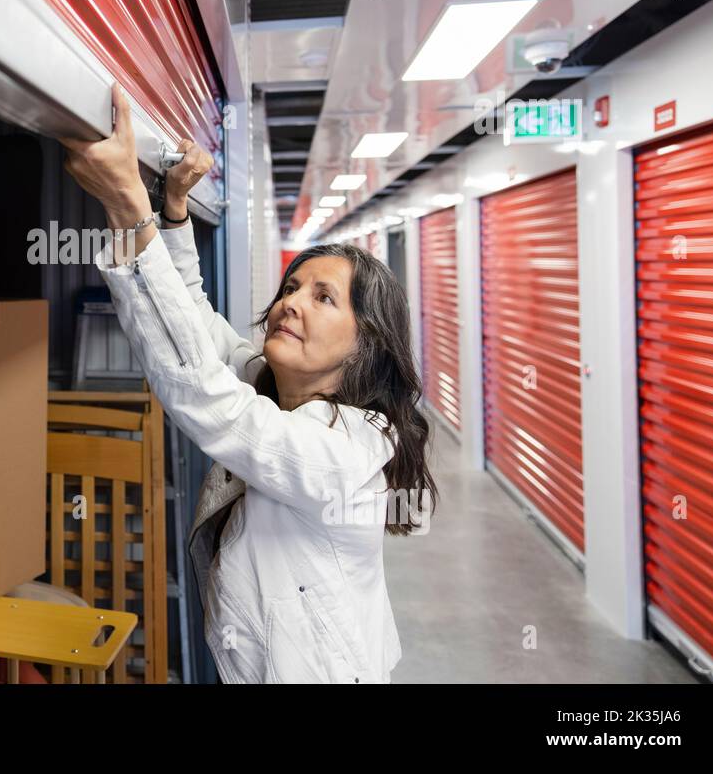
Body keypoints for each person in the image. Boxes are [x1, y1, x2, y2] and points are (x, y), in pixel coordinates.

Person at [58, 84, 438, 683]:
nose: (291, 304)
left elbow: (207, 393)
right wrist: (174, 212)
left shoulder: (343, 450)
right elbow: (198, 326)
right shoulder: (281, 392)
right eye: (292, 288)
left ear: (366, 342)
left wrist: (131, 209)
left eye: (323, 297)